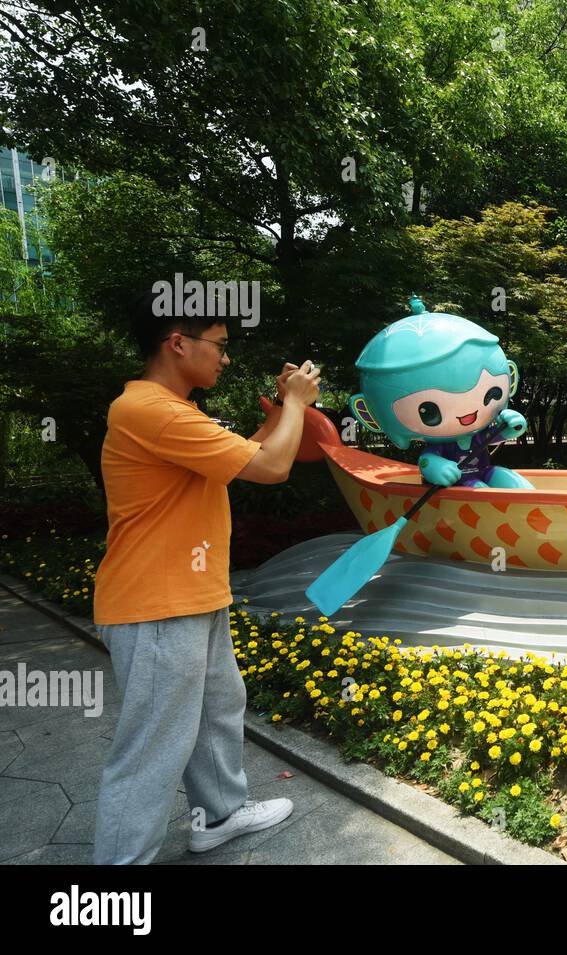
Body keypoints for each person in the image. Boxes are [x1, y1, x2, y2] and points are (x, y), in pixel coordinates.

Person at [91, 288, 321, 864]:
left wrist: (278, 413)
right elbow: (271, 468)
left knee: (218, 707)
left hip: (192, 596)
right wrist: (296, 405)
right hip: (156, 603)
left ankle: (217, 816)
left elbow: (243, 456)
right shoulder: (151, 410)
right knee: (152, 745)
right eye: (218, 345)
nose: (225, 357)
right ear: (177, 343)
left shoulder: (175, 412)